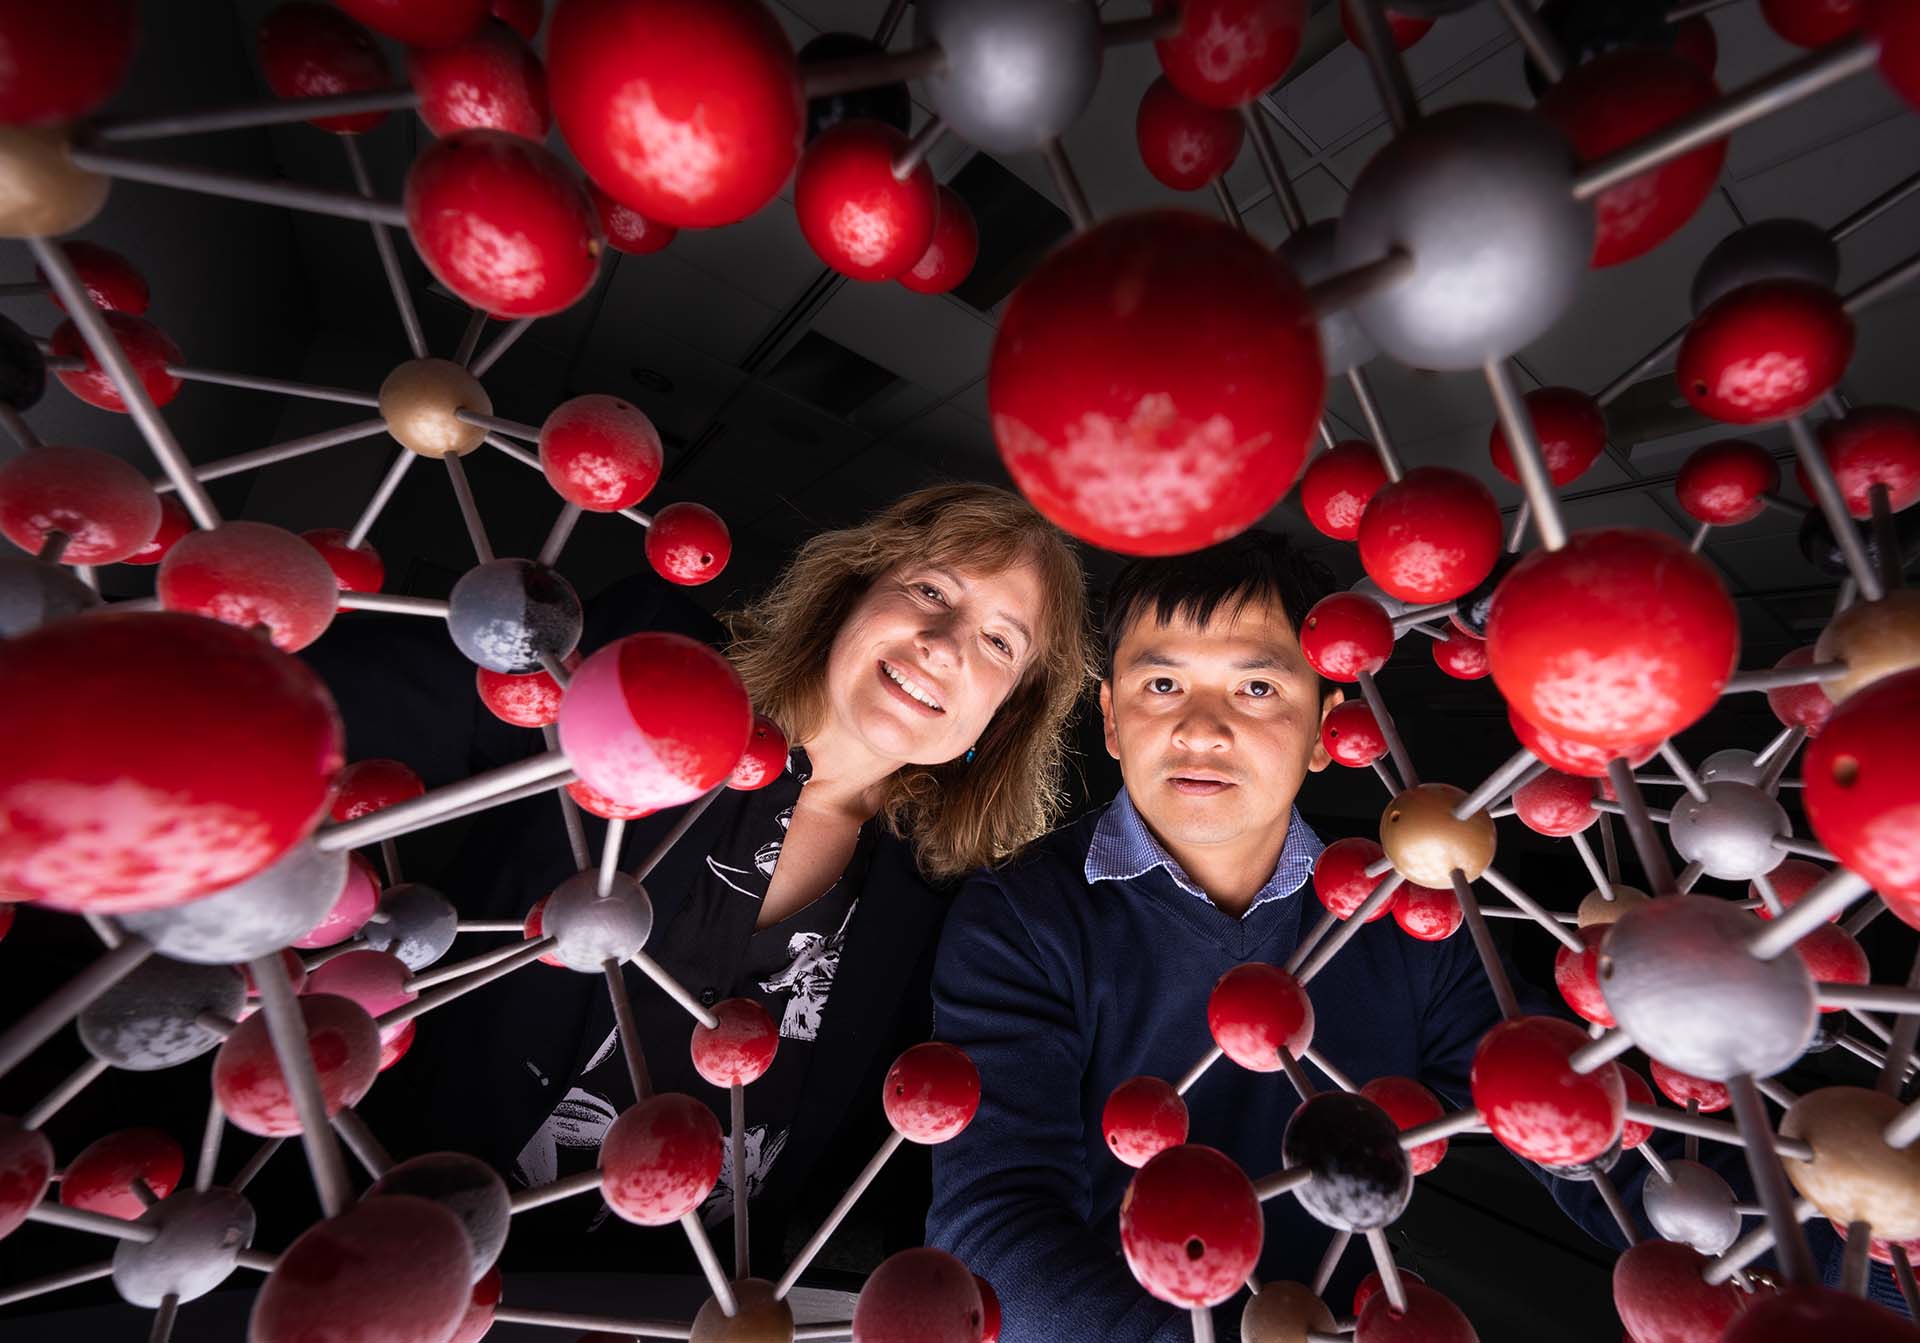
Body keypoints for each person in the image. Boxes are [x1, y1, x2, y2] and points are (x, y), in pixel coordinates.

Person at [317, 482, 1095, 1277]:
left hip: (671, 1309)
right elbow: (338, 721)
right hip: (374, 1223)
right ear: (852, 592)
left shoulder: (943, 911)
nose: (946, 643)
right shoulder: (653, 669)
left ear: (1006, 713)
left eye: (1001, 643)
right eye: (930, 590)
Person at [923, 531, 1662, 1341]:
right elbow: (992, 1233)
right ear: (1109, 717)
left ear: (1324, 730)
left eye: (1257, 688)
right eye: (1162, 682)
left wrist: (1770, 1221)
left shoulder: (1408, 915)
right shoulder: (1021, 919)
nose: (1199, 729)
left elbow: (1580, 1125)